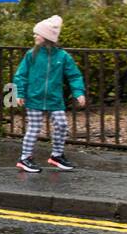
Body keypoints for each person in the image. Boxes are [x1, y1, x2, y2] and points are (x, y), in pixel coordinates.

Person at [13, 15, 86, 173]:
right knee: (34, 128)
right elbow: (20, 75)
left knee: (62, 125)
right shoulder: (31, 54)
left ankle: (57, 155)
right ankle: (25, 158)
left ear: (46, 37)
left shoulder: (63, 56)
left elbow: (74, 75)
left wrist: (78, 92)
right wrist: (18, 94)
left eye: (37, 33)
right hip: (34, 97)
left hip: (54, 99)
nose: (34, 36)